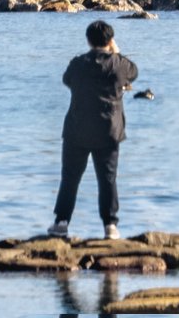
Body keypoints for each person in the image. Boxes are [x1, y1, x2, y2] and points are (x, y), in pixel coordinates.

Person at [46, 19, 137, 239]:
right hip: (108, 130)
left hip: (77, 129)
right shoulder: (119, 64)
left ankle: (61, 222)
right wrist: (117, 52)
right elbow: (133, 72)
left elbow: (67, 80)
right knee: (107, 179)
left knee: (70, 178)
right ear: (110, 40)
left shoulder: (77, 64)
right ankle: (110, 226)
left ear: (88, 41)